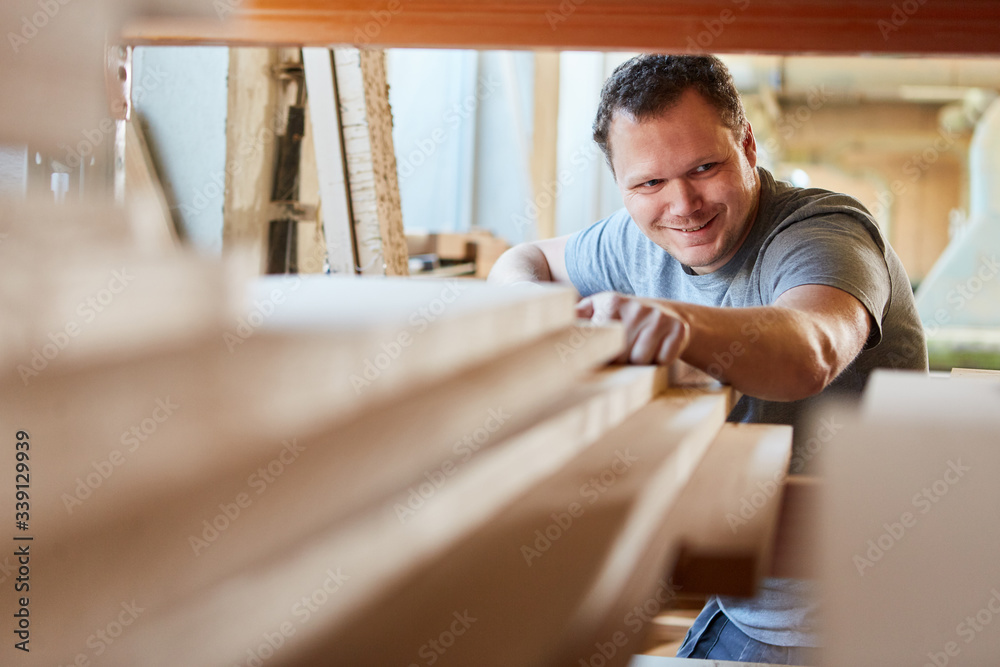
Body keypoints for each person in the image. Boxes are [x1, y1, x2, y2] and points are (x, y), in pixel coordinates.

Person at [488, 54, 927, 664]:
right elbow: (525, 257)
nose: (683, 204)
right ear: (622, 183)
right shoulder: (635, 237)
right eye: (648, 184)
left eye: (704, 167)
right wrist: (533, 312)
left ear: (747, 144)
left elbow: (811, 349)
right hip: (745, 593)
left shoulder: (823, 233)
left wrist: (675, 325)